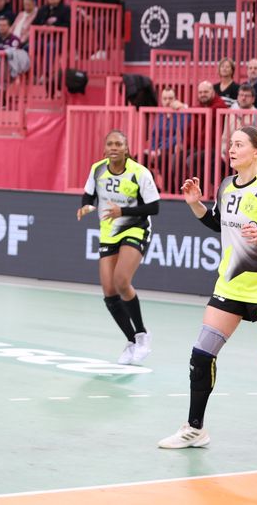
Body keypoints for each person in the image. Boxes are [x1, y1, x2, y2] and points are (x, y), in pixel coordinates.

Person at [160, 126, 257, 448]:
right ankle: (194, 428)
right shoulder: (227, 186)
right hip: (229, 286)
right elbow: (219, 223)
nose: (231, 149)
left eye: (239, 144)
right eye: (230, 144)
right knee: (201, 355)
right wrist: (195, 204)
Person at [77, 130, 160, 365]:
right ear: (105, 149)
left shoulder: (139, 173)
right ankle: (132, 340)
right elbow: (88, 196)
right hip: (108, 232)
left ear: (126, 148)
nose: (114, 147)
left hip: (135, 227)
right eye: (110, 144)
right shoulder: (98, 169)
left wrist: (122, 211)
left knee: (122, 280)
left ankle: (143, 333)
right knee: (109, 291)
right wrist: (85, 207)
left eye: (119, 144)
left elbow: (154, 208)